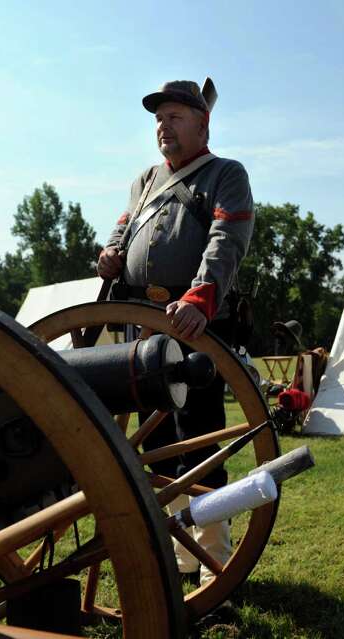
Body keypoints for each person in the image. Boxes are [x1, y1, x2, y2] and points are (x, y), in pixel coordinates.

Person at [96, 78, 254, 587]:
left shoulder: (226, 174)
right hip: (141, 327)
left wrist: (200, 299)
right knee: (157, 442)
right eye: (159, 119)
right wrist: (110, 254)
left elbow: (227, 238)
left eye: (175, 117)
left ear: (202, 124)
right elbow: (123, 227)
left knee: (199, 441)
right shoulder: (145, 180)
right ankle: (180, 555)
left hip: (194, 324)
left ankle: (212, 560)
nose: (163, 126)